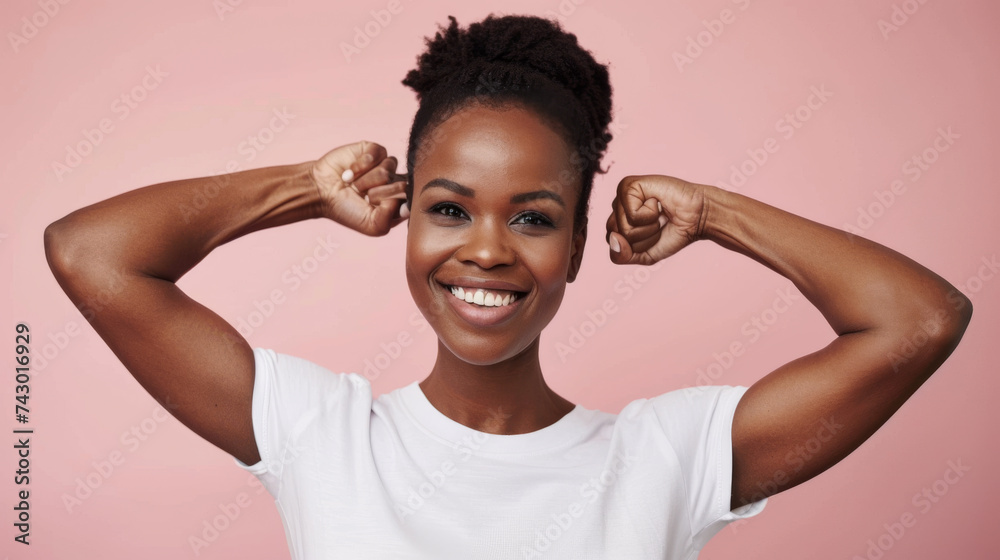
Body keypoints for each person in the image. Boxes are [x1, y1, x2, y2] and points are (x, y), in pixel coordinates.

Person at [43, 13, 971, 560]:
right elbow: (92, 254)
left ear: (576, 246)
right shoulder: (316, 432)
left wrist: (715, 212)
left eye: (532, 218)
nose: (487, 251)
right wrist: (300, 187)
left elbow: (920, 320)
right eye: (448, 209)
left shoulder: (666, 457)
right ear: (404, 218)